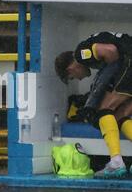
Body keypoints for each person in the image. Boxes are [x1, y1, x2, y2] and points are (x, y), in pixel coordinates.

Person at [55, 31, 132, 179]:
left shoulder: (80, 54)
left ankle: (116, 162)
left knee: (103, 111)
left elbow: (112, 51)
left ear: (70, 69)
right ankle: (117, 161)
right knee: (118, 116)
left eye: (72, 77)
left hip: (129, 64)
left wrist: (103, 83)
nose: (78, 78)